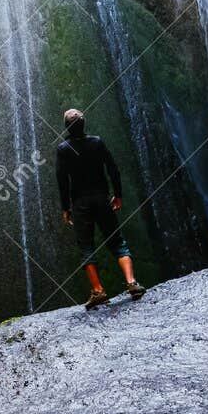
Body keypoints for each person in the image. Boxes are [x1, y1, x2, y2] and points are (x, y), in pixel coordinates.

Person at [56, 108, 143, 308]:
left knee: (85, 246)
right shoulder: (97, 142)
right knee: (117, 241)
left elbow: (62, 180)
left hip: (80, 203)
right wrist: (118, 194)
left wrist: (65, 207)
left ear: (67, 127)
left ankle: (98, 290)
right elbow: (113, 169)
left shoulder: (63, 149)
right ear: (84, 124)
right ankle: (132, 282)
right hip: (102, 198)